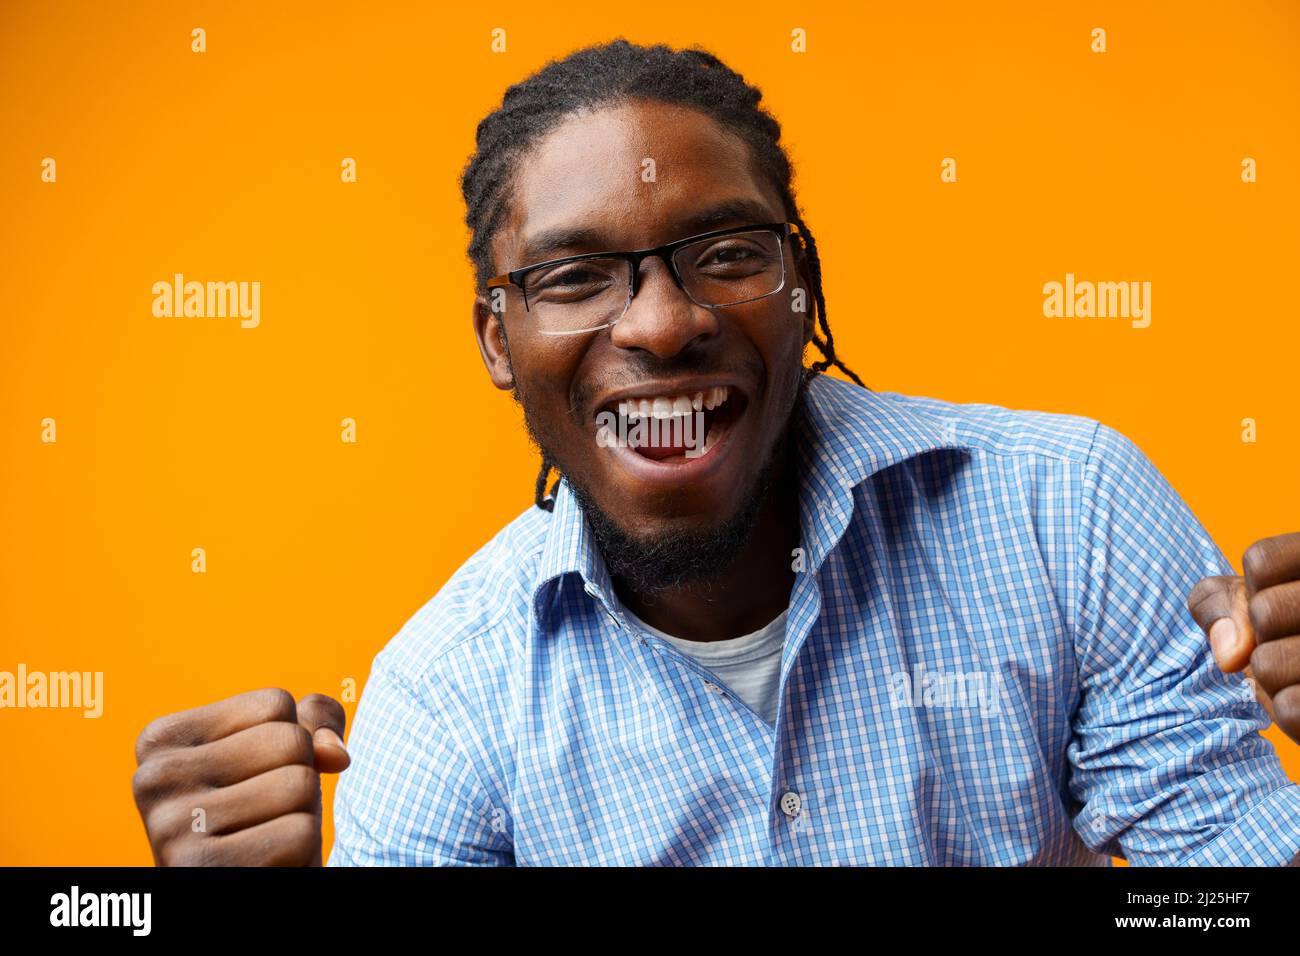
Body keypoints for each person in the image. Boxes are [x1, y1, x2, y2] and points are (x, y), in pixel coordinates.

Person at [132, 39, 1300, 866]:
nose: (655, 322)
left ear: (799, 285)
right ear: (499, 339)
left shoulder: (1069, 511)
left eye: (724, 249)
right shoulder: (446, 694)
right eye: (573, 276)